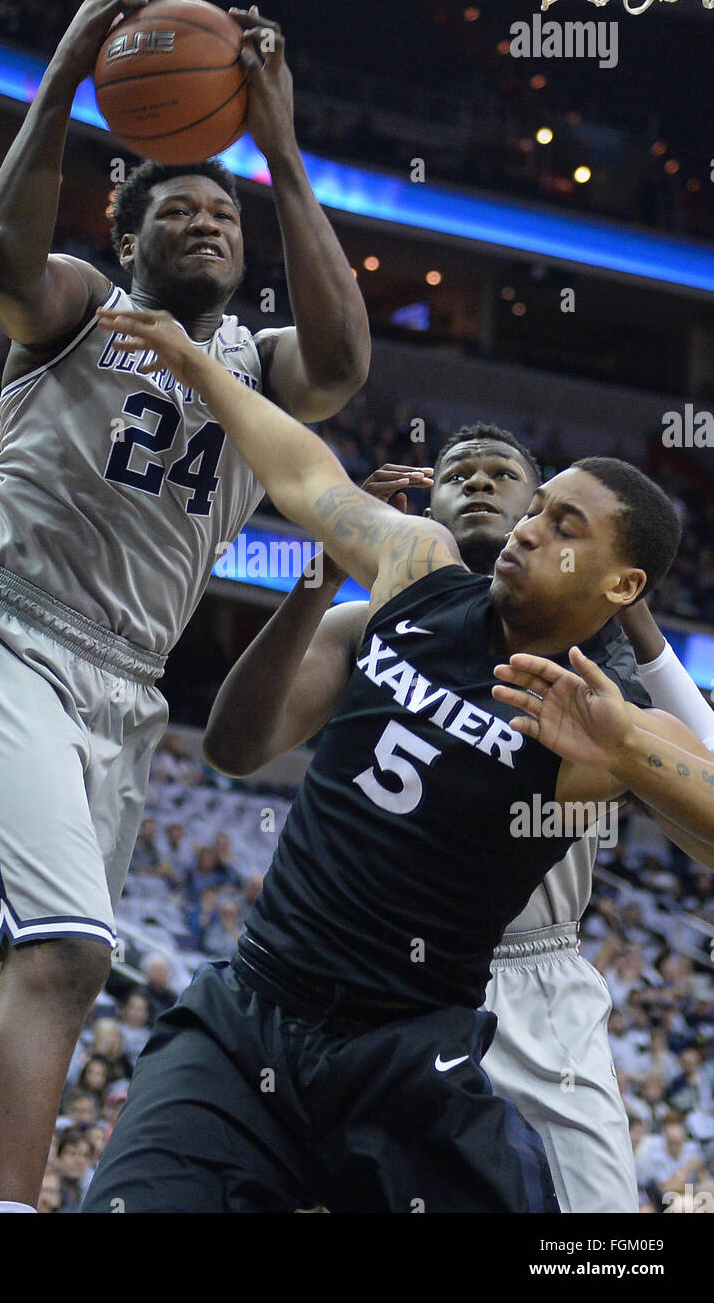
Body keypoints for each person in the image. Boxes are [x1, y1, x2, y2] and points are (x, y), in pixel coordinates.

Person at [0, 0, 368, 1216]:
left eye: (219, 214)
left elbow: (343, 361)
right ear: (127, 240)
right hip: (9, 638)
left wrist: (278, 146)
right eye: (175, 208)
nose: (204, 224)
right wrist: (69, 68)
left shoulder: (259, 370)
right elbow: (4, 261)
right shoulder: (81, 305)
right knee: (66, 950)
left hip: (126, 698)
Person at [80, 306, 714, 1213]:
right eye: (535, 510)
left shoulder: (600, 723)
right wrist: (199, 367)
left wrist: (623, 749)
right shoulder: (417, 570)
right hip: (252, 1010)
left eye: (562, 523)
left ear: (620, 586)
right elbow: (304, 473)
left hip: (407, 1056)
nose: (530, 529)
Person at [199, 434, 714, 1213]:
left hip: (534, 976)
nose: (478, 485)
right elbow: (234, 748)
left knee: (596, 1228)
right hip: (373, 984)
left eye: (510, 480)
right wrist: (327, 562)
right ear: (421, 514)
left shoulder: (595, 683)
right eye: (454, 474)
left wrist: (632, 610)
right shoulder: (373, 624)